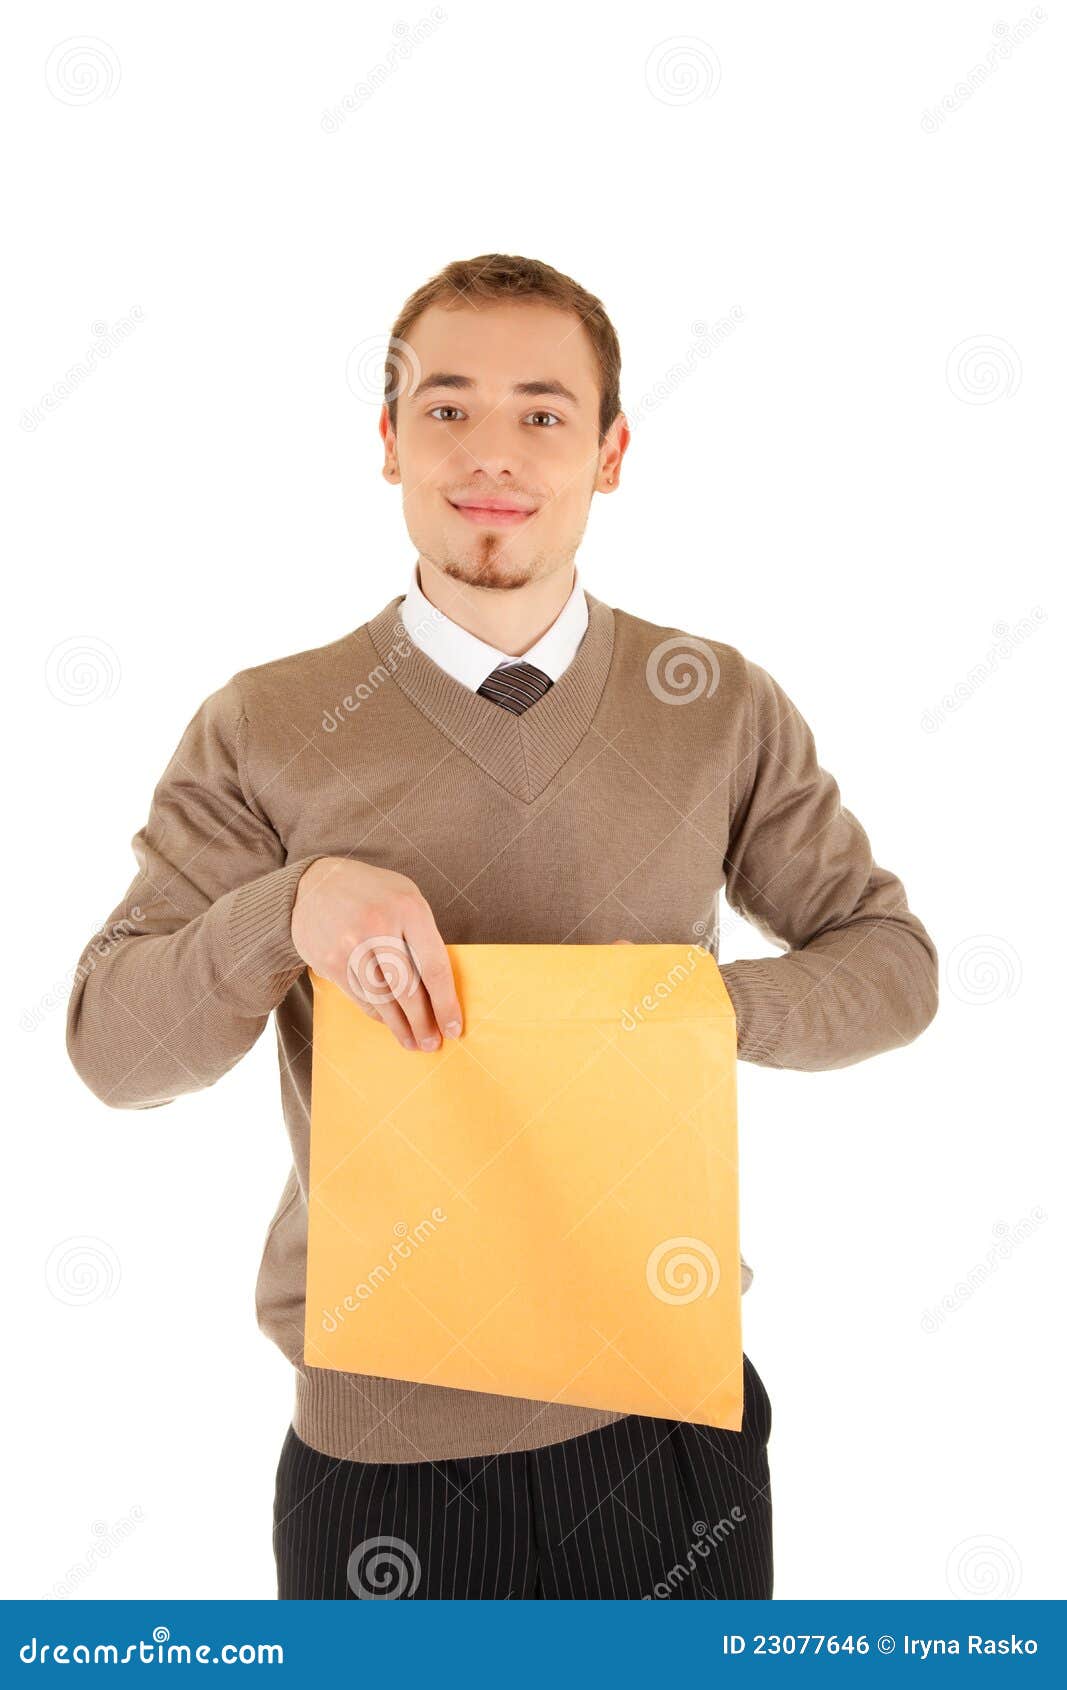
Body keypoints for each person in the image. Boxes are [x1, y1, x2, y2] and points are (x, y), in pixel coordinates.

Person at [66, 253, 938, 1600]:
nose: (493, 452)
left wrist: (691, 1008)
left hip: (668, 1426)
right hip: (384, 1462)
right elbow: (117, 1054)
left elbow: (892, 967)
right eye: (447, 408)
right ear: (389, 441)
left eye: (543, 412)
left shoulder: (713, 702)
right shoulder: (263, 723)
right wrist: (289, 907)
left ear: (610, 452)